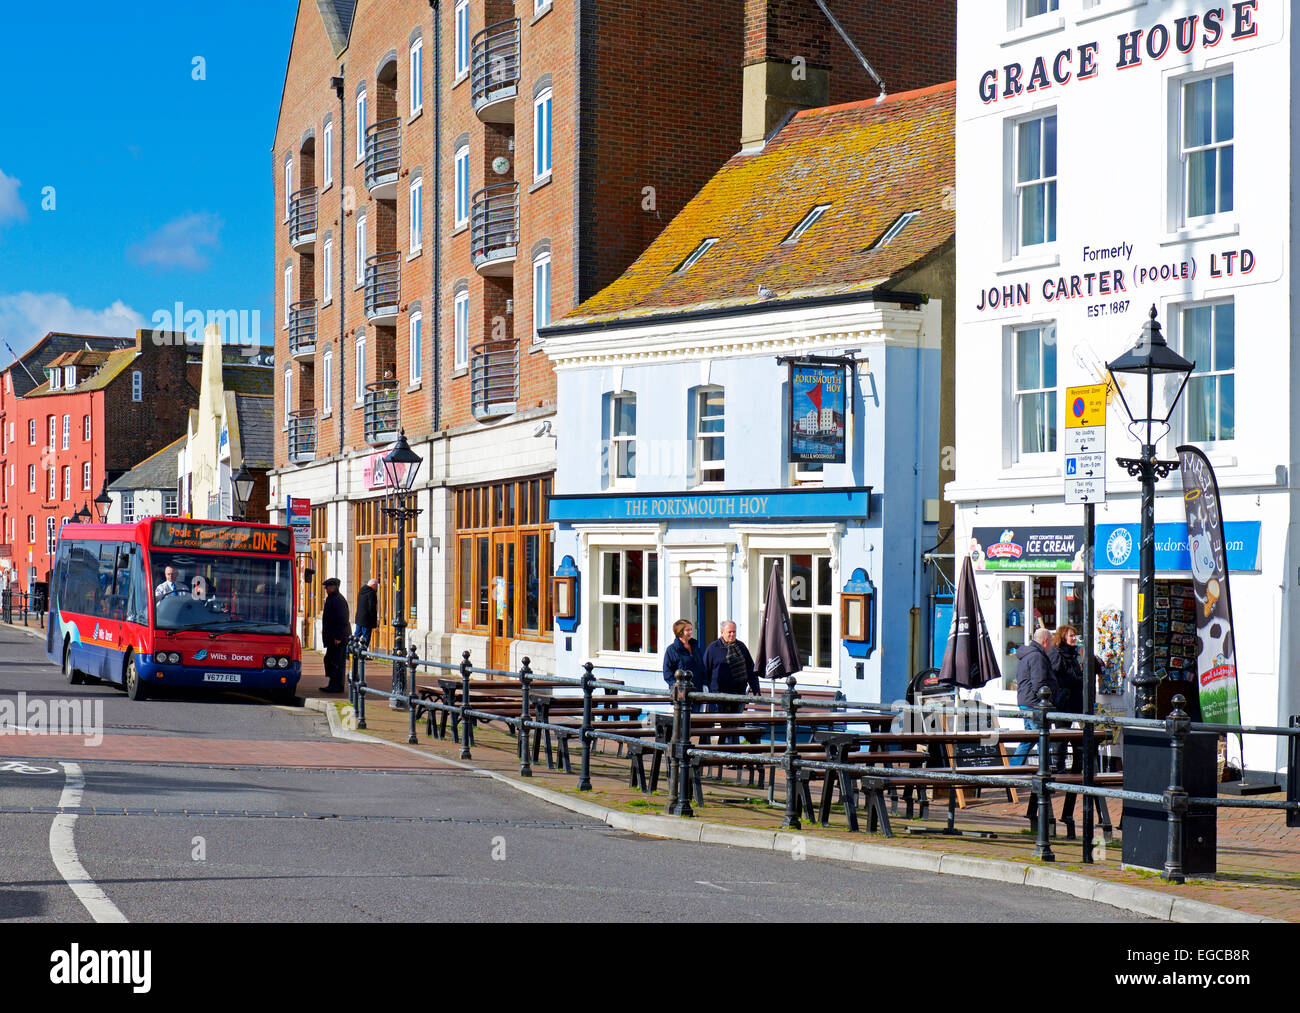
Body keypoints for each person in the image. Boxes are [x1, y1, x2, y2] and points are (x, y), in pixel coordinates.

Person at [1012, 626, 1057, 766]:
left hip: (1026, 701)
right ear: (1045, 640)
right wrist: (1046, 700)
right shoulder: (1037, 656)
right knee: (1042, 739)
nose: (1051, 645)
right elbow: (1039, 683)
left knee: (1030, 738)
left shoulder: (1028, 654)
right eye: (1050, 642)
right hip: (1034, 704)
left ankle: (1012, 768)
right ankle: (1046, 770)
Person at [1049, 625, 1085, 772]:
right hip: (1063, 701)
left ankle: (1076, 767)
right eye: (1071, 635)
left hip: (1075, 701)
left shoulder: (1073, 654)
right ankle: (1059, 766)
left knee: (1076, 737)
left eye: (1075, 635)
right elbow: (1057, 675)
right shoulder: (1057, 653)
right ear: (1063, 637)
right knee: (1061, 735)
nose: (1074, 638)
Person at [702, 621, 758, 709]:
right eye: (729, 632)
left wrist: (756, 688)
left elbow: (750, 669)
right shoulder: (713, 648)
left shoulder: (741, 647)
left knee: (736, 722)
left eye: (734, 632)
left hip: (739, 695)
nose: (732, 634)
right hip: (718, 696)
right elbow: (705, 671)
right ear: (722, 632)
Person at [661, 618, 707, 704]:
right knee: (683, 716)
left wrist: (704, 683)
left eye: (691, 629)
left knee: (698, 716)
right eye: (687, 630)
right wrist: (677, 687)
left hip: (698, 690)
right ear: (680, 632)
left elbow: (701, 666)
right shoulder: (672, 650)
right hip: (682, 693)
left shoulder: (695, 646)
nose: (690, 632)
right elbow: (667, 673)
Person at [321, 577, 350, 693]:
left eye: (327, 587)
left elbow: (343, 620)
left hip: (338, 638)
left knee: (337, 662)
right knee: (330, 660)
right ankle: (332, 683)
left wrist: (338, 637)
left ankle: (337, 685)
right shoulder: (332, 599)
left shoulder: (338, 600)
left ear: (333, 587)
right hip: (332, 637)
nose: (326, 589)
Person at [354, 578, 379, 648]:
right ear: (373, 585)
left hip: (359, 618)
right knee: (366, 638)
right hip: (367, 620)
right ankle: (363, 653)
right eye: (376, 586)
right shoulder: (371, 593)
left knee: (356, 636)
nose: (376, 588)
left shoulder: (361, 590)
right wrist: (374, 619)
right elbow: (372, 607)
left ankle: (349, 650)